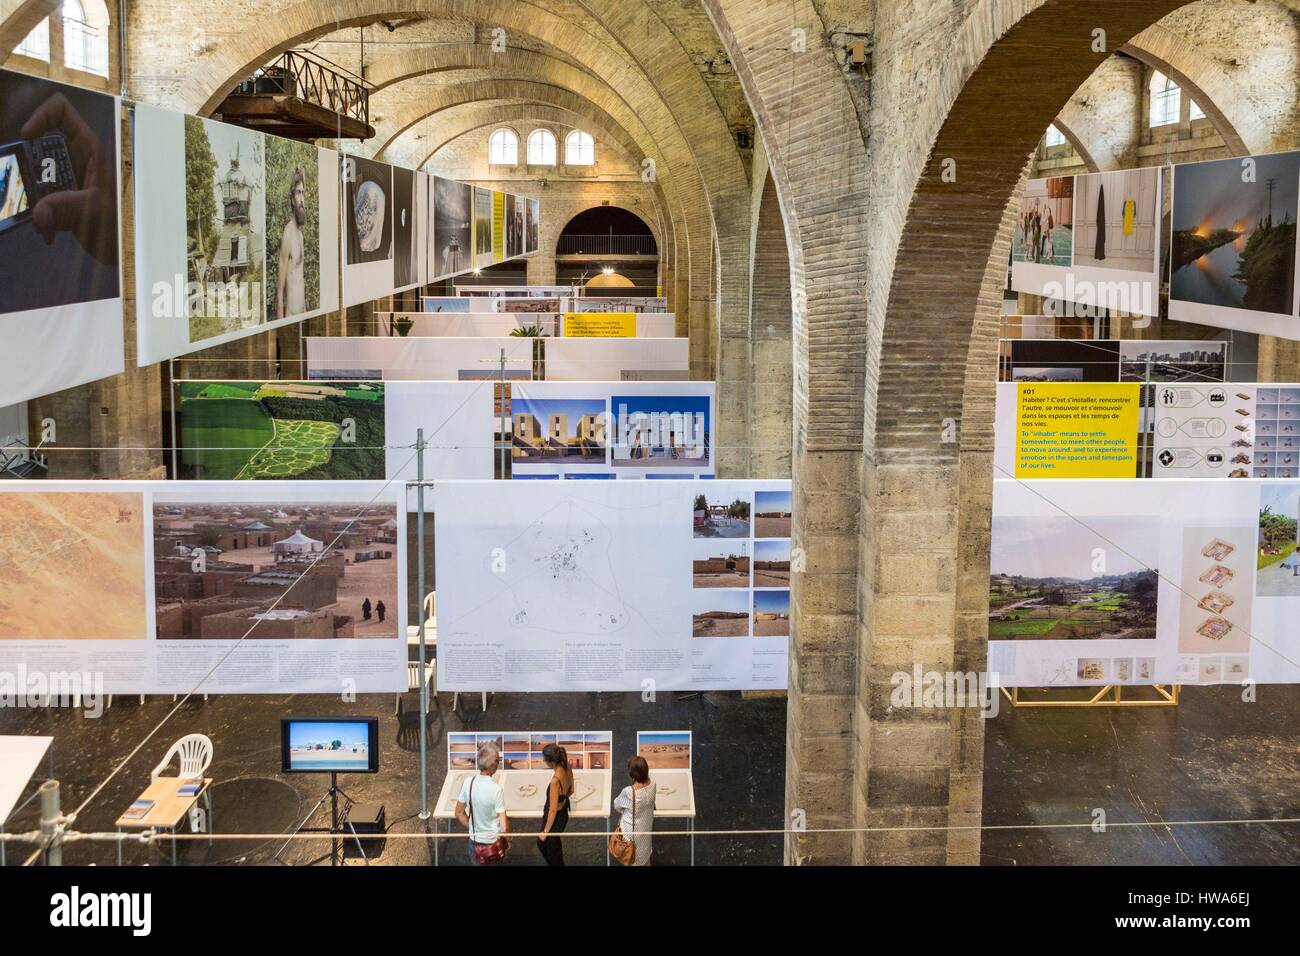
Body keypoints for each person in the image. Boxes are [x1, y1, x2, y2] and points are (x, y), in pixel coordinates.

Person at [455, 742, 511, 865]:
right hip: (493, 846)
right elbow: (504, 827)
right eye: (497, 760)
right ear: (491, 765)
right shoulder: (496, 789)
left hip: (475, 844)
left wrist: (473, 827)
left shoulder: (467, 783)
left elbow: (459, 813)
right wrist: (507, 839)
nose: (498, 763)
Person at [612, 755, 656, 866]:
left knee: (632, 861)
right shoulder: (653, 784)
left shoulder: (629, 792)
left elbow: (616, 805)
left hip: (631, 836)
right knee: (646, 859)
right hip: (645, 830)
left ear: (632, 774)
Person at [276, 166, 307, 319]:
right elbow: (280, 288)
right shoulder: (287, 233)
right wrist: (281, 319)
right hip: (290, 317)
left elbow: (299, 277)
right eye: (298, 193)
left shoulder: (300, 235)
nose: (301, 199)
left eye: (303, 193)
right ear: (292, 200)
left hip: (302, 314)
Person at [536, 743, 573, 866]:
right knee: (553, 846)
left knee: (545, 844)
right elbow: (571, 790)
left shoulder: (555, 782)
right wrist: (562, 798)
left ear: (550, 762)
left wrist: (545, 831)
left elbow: (552, 809)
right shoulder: (567, 766)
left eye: (544, 759)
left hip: (554, 816)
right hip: (563, 814)